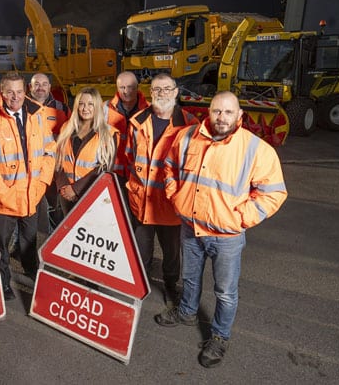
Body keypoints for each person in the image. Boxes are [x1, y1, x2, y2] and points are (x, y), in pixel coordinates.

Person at [156, 90, 287, 368]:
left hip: (226, 236)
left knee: (225, 292)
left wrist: (239, 219)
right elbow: (169, 167)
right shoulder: (188, 136)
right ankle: (188, 312)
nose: (222, 117)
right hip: (190, 228)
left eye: (228, 112)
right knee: (190, 279)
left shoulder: (255, 148)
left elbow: (274, 193)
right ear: (209, 111)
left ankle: (219, 337)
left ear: (240, 115)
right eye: (217, 111)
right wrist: (175, 196)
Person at [0, 72, 55, 300]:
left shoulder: (39, 116)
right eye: (10, 92)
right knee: (2, 242)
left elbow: (50, 150)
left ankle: (31, 269)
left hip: (32, 193)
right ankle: (2, 280)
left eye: (19, 92)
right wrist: (4, 193)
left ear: (25, 92)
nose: (15, 96)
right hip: (5, 198)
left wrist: (42, 183)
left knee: (30, 238)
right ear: (2, 93)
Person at [125, 73, 196, 307]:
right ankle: (139, 286)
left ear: (176, 92)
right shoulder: (137, 122)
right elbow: (129, 157)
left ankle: (170, 286)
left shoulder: (189, 125)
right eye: (157, 90)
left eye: (167, 89)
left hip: (170, 206)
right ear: (150, 92)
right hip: (142, 203)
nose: (162, 94)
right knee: (140, 251)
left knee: (171, 254)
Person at [54, 87, 119, 215]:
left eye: (90, 104)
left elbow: (105, 168)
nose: (85, 108)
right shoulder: (66, 128)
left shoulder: (109, 133)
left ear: (97, 107)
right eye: (81, 104)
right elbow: (58, 160)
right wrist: (63, 186)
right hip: (66, 194)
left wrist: (76, 189)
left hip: (91, 193)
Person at [29, 72, 70, 230]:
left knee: (54, 205)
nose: (40, 88)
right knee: (25, 206)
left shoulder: (62, 109)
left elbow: (69, 137)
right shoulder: (22, 108)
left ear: (49, 87)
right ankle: (18, 244)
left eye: (44, 84)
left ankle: (55, 240)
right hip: (29, 165)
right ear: (30, 87)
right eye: (36, 84)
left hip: (53, 165)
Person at [105, 71, 148, 180]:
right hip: (111, 172)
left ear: (137, 87)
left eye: (130, 87)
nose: (126, 91)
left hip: (138, 174)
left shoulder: (149, 110)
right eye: (122, 87)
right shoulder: (104, 109)